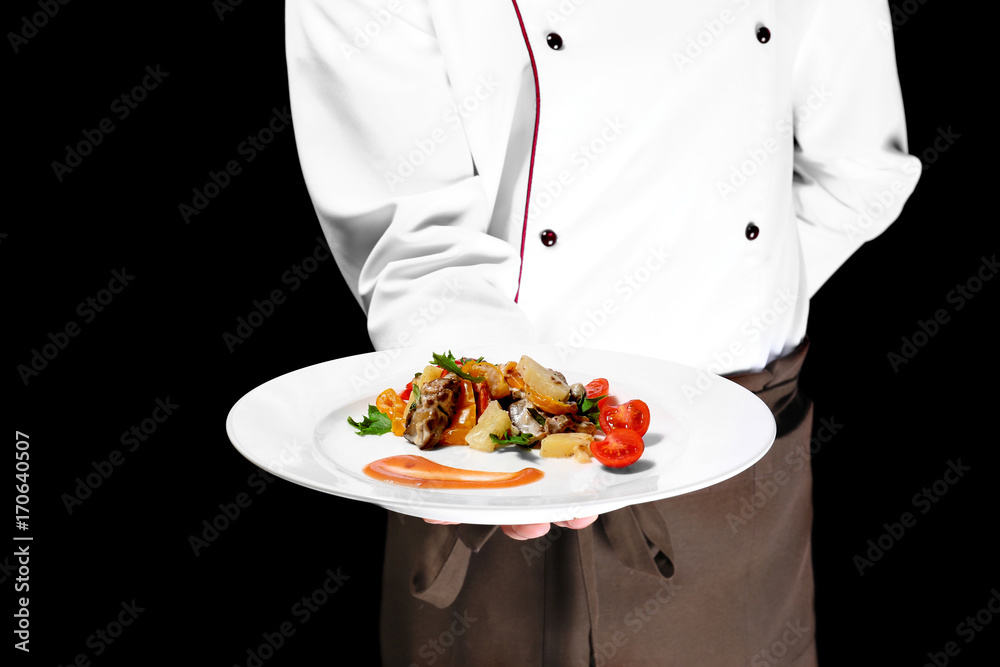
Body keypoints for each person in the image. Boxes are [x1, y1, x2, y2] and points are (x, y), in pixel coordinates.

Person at [285, 1, 920, 664]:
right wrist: (502, 425)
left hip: (735, 483)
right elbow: (408, 230)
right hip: (491, 490)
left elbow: (863, 175)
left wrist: (740, 299)